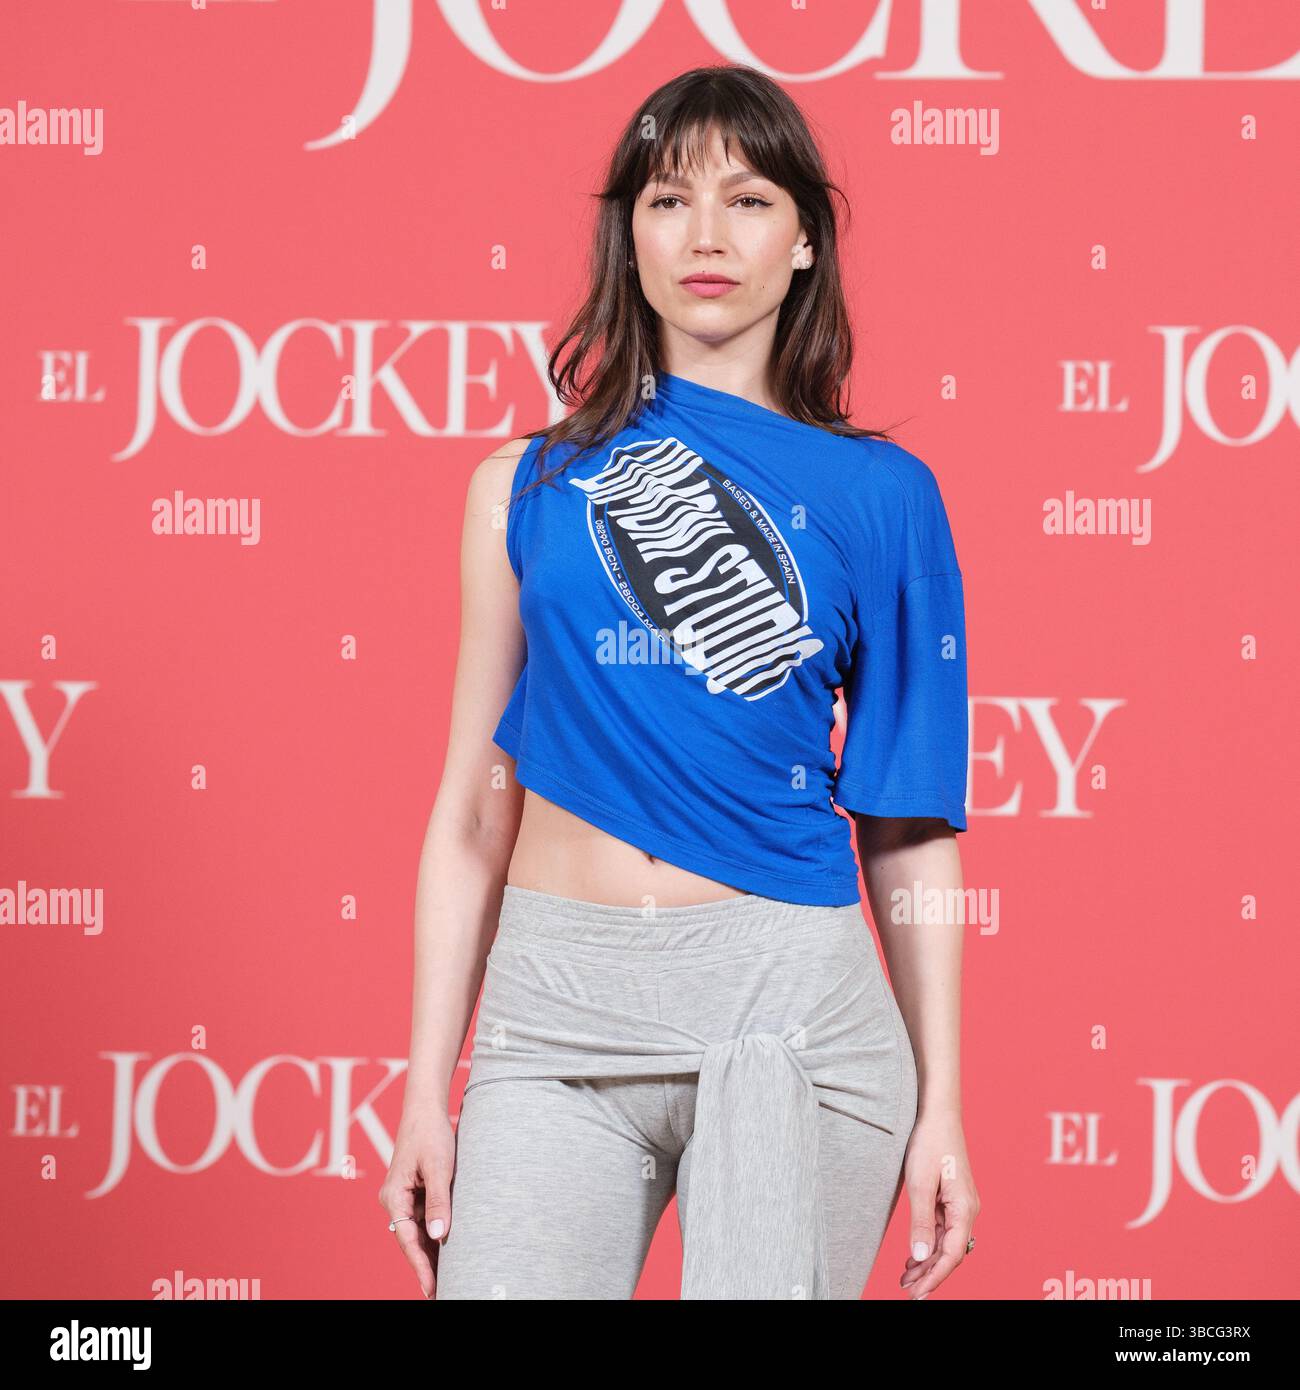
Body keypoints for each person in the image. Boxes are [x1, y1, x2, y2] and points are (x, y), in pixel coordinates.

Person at [379, 64, 980, 1301]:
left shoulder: (884, 497)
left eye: (749, 200)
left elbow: (908, 829)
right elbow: (473, 810)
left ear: (805, 238)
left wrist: (943, 1104)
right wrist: (427, 1084)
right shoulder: (523, 488)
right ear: (627, 234)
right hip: (551, 1014)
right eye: (668, 198)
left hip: (789, 1017)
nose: (706, 236)